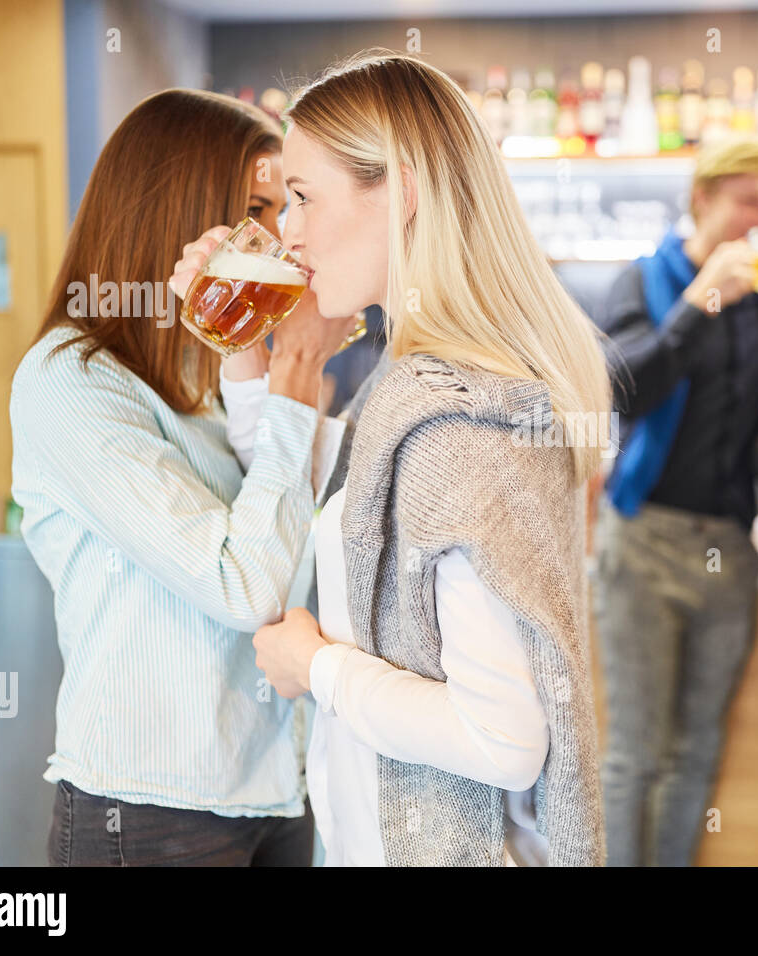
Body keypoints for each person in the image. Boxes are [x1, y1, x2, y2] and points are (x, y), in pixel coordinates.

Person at [187, 49, 610, 866]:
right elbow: (318, 492)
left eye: (304, 197)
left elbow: (505, 740)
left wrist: (317, 667)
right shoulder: (426, 390)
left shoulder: (454, 427)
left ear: (404, 192)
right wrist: (241, 350)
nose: (287, 230)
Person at [10, 89, 355, 866]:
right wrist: (295, 366)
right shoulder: (72, 382)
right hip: (149, 809)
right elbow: (245, 584)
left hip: (274, 782)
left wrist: (252, 361)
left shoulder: (208, 377)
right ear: (178, 212)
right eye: (259, 211)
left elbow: (297, 534)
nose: (285, 238)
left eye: (289, 209)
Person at [593, 135, 758, 866]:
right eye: (748, 201)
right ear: (703, 199)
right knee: (636, 752)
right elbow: (622, 389)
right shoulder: (643, 281)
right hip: (644, 540)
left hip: (731, 544)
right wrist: (699, 303)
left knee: (698, 750)